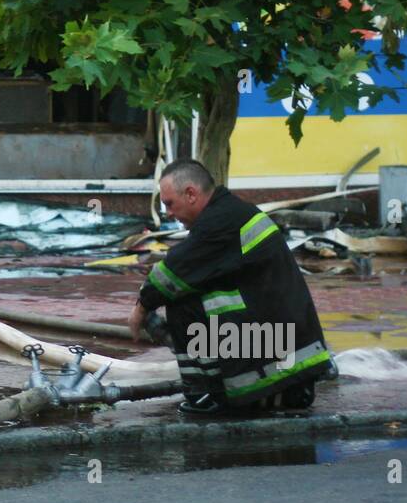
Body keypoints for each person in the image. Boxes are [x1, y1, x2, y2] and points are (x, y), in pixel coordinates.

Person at [127, 159, 333, 415]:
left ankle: (208, 394)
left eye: (169, 203)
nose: (168, 213)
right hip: (289, 360)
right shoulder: (231, 213)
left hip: (282, 371)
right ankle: (223, 390)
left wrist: (141, 308)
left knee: (182, 303)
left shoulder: (221, 222)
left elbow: (172, 273)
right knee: (191, 293)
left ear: (191, 193)